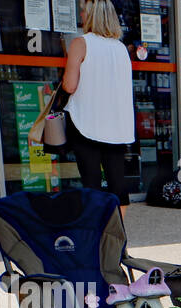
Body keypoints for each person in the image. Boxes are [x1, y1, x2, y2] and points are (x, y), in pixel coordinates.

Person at [60, 0, 135, 215]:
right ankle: (116, 238)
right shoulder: (120, 48)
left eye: (83, 11)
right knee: (117, 183)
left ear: (92, 16)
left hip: (87, 122)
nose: (81, 15)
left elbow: (70, 85)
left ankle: (94, 235)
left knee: (91, 182)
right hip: (117, 125)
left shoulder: (80, 43)